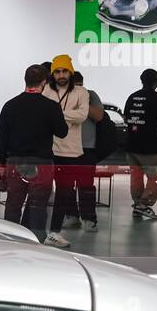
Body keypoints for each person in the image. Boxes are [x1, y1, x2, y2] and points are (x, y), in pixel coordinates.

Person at [0, 64, 67, 242]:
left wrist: (3, 163)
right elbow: (62, 132)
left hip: (15, 162)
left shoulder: (10, 105)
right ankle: (36, 242)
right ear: (44, 82)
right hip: (42, 163)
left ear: (25, 80)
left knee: (13, 205)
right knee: (38, 207)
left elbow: (1, 138)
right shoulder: (51, 106)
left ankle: (10, 240)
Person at [40, 55, 91, 248]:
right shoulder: (47, 90)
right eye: (57, 72)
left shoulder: (81, 92)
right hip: (48, 150)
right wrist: (69, 115)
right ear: (53, 74)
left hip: (71, 152)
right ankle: (36, 231)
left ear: (71, 72)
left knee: (63, 194)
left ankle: (54, 232)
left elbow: (82, 115)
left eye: (64, 71)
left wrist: (55, 114)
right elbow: (41, 114)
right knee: (41, 193)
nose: (61, 75)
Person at [123, 68, 157, 221]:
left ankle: (138, 204)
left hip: (132, 145)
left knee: (136, 176)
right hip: (152, 147)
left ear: (141, 80)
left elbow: (126, 118)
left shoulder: (132, 97)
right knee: (155, 176)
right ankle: (143, 205)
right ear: (156, 82)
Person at [71, 69, 105, 231]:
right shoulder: (63, 96)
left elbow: (98, 116)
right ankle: (71, 215)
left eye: (80, 86)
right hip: (66, 148)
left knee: (86, 185)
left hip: (87, 147)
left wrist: (83, 101)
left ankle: (89, 218)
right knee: (66, 185)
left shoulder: (91, 95)